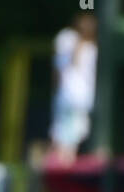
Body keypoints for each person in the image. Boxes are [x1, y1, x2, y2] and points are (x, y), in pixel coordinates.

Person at [50, 12, 97, 160]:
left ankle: (66, 160)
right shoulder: (67, 38)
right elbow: (61, 67)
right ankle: (61, 161)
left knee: (75, 131)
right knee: (63, 132)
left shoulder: (93, 47)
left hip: (81, 96)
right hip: (68, 94)